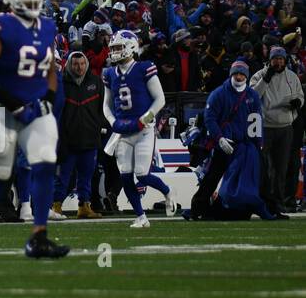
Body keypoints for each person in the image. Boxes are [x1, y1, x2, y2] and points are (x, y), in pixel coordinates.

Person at [0, 0, 68, 260]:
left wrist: (48, 97)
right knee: (0, 172)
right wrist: (13, 103)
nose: (33, 0)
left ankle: (39, 236)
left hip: (34, 104)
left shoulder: (47, 26)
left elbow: (48, 66)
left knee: (45, 162)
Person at [102, 29, 171, 227]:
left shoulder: (144, 68)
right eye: (112, 48)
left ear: (131, 47)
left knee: (142, 173)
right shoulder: (109, 73)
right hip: (122, 130)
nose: (114, 52)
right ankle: (141, 217)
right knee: (125, 175)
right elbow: (106, 104)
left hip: (143, 129)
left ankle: (167, 191)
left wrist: (145, 118)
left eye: (118, 47)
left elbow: (160, 99)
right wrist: (111, 121)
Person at [188, 61, 264, 219]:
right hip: (223, 143)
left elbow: (256, 120)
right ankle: (198, 209)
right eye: (236, 73)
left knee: (247, 178)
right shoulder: (219, 94)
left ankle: (246, 208)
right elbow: (210, 119)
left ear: (246, 76)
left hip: (244, 145)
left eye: (242, 74)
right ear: (231, 74)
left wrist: (258, 144)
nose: (239, 76)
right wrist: (220, 139)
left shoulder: (252, 95)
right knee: (212, 177)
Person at [250, 46, 304, 213]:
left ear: (285, 59)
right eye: (275, 59)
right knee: (264, 167)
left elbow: (300, 95)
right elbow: (252, 96)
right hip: (265, 128)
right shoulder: (260, 75)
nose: (278, 62)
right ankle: (262, 201)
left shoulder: (292, 76)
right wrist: (266, 79)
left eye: (281, 58)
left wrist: (298, 103)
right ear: (270, 60)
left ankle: (278, 203)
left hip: (285, 128)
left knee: (281, 168)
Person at [54, 51, 103, 219]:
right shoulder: (61, 83)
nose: (79, 67)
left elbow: (102, 109)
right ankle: (56, 206)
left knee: (86, 176)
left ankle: (84, 206)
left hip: (90, 138)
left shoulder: (96, 82)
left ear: (86, 64)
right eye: (75, 64)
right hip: (67, 140)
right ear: (69, 65)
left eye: (82, 64)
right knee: (63, 177)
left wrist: (98, 128)